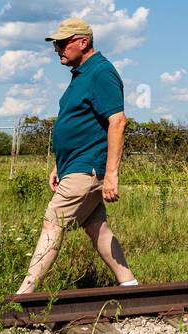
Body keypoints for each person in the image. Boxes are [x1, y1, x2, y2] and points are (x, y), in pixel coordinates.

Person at [16, 17, 137, 294]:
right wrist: (60, 164)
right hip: (75, 167)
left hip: (88, 169)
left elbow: (117, 122)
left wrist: (111, 176)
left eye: (62, 42)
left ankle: (23, 294)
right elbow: (79, 123)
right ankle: (130, 286)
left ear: (83, 42)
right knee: (97, 227)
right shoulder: (81, 74)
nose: (57, 48)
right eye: (55, 44)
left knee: (52, 220)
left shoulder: (101, 72)